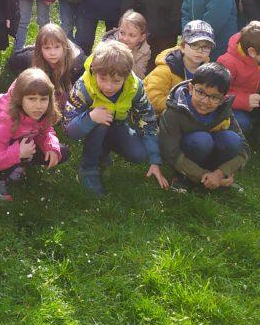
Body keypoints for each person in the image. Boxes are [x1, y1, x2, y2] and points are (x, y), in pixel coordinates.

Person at [64, 40, 165, 196]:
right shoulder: (83, 87)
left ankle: (104, 149)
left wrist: (155, 159)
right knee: (101, 122)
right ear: (94, 70)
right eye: (103, 79)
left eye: (116, 81)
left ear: (125, 77)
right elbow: (69, 129)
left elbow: (147, 120)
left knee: (139, 154)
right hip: (92, 125)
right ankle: (88, 168)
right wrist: (90, 117)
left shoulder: (135, 87)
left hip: (118, 125)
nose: (108, 87)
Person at [0, 68, 68, 204]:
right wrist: (17, 153)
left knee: (62, 151)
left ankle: (16, 165)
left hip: (20, 145)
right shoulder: (6, 119)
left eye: (43, 99)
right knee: (21, 145)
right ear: (19, 99)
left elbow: (46, 132)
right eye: (31, 99)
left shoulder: (42, 113)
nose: (38, 106)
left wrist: (51, 146)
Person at [159, 63, 249, 194]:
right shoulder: (174, 111)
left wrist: (220, 173)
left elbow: (244, 149)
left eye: (214, 97)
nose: (205, 101)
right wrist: (204, 176)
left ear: (223, 98)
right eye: (200, 92)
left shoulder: (224, 110)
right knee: (201, 140)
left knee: (233, 140)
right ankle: (183, 177)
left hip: (213, 164)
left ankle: (212, 177)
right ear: (191, 88)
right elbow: (170, 153)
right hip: (186, 156)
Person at [218, 21, 260, 138]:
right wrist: (244, 100)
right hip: (235, 105)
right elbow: (217, 94)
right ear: (252, 52)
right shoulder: (228, 63)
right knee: (242, 123)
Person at [6, 22, 86, 110]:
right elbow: (13, 61)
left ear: (64, 46)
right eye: (47, 48)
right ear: (40, 49)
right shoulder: (31, 58)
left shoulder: (78, 64)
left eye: (57, 47)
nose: (52, 53)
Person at [144, 21, 215, 114]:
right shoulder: (165, 69)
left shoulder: (209, 72)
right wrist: (184, 105)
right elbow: (152, 100)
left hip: (190, 119)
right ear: (182, 46)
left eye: (206, 47)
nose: (200, 51)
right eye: (194, 45)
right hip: (158, 119)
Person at [101, 10, 151, 79]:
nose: (125, 39)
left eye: (132, 35)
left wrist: (128, 56)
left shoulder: (144, 51)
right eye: (122, 33)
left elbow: (140, 76)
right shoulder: (109, 43)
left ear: (142, 38)